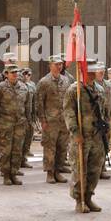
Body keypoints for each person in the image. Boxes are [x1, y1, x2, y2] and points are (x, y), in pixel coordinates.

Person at [65, 60, 108, 213]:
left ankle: (89, 197)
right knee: (79, 170)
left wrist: (105, 130)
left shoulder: (100, 89)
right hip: (82, 136)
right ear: (83, 72)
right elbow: (69, 113)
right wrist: (75, 132)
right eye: (88, 72)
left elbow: (103, 111)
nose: (91, 75)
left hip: (97, 136)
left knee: (95, 169)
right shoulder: (74, 90)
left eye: (93, 72)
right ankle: (79, 199)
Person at [36, 55, 71, 183]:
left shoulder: (66, 80)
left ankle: (58, 171)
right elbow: (39, 103)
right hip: (50, 121)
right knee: (50, 148)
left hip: (63, 120)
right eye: (56, 64)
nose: (59, 66)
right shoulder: (44, 82)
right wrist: (43, 120)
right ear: (50, 65)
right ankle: (50, 173)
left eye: (60, 64)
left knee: (62, 148)